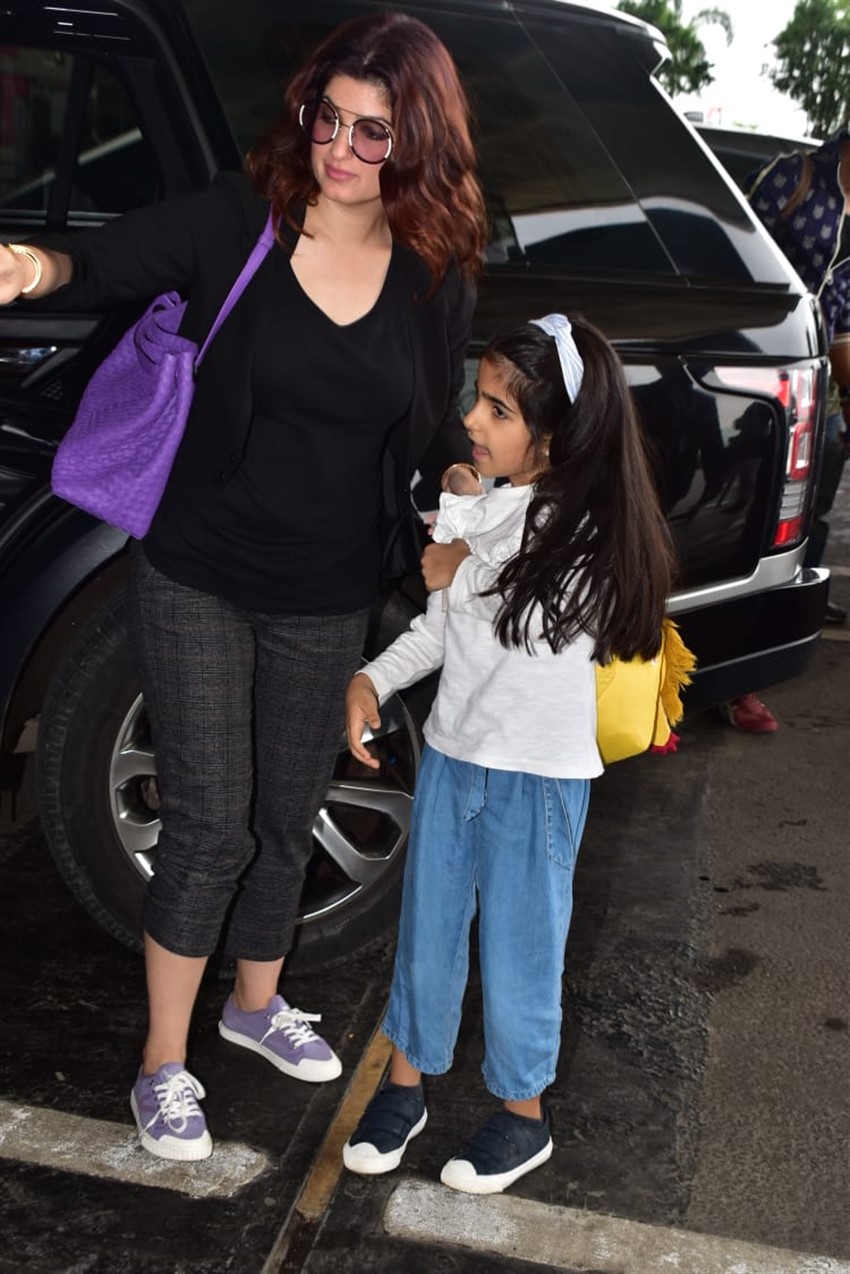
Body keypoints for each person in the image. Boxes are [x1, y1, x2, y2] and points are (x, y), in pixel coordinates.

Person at [0, 11, 488, 1161]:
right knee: (211, 823)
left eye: (375, 134)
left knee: (285, 814)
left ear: (415, 142)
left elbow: (423, 433)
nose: (341, 149)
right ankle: (162, 1064)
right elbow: (112, 258)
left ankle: (254, 1002)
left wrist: (457, 486)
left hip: (326, 586)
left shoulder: (430, 277)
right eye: (331, 119)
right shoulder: (241, 224)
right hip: (198, 570)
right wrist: (34, 263)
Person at [341, 313, 675, 1194]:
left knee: (525, 951)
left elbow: (528, 610)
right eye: (475, 402)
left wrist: (459, 546)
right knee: (427, 936)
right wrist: (373, 678)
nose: (475, 422)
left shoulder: (590, 529)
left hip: (539, 777)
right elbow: (443, 625)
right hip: (456, 759)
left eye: (497, 411)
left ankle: (523, 1117)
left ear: (554, 436)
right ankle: (405, 1084)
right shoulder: (485, 512)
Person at [725, 125, 850, 734]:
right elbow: (729, 251)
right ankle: (696, 674)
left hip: (818, 387)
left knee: (806, 526)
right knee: (734, 520)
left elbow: (846, 319)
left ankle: (762, 660)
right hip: (757, 380)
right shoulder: (795, 178)